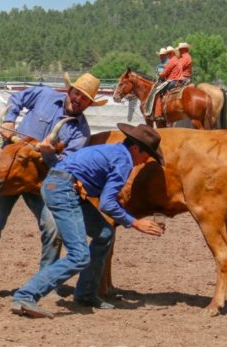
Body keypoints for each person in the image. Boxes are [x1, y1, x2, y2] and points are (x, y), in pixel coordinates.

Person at [0, 73, 107, 302]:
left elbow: (66, 168)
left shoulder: (80, 133)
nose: (79, 99)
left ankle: (45, 284)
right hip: (11, 172)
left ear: (90, 104)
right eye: (77, 93)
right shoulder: (44, 95)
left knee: (53, 229)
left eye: (85, 98)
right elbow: (17, 98)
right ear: (69, 90)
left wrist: (49, 155)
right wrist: (9, 120)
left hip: (42, 181)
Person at [10, 123, 165, 318]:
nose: (145, 161)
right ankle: (25, 295)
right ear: (135, 148)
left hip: (60, 186)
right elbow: (107, 204)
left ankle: (86, 294)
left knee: (105, 234)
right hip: (63, 190)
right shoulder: (123, 160)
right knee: (79, 255)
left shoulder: (112, 151)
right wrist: (135, 223)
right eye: (147, 155)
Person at [145, 45, 176, 118]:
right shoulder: (162, 64)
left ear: (166, 55)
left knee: (156, 92)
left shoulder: (168, 62)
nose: (161, 56)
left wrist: (160, 74)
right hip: (163, 79)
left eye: (163, 55)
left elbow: (164, 73)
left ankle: (158, 112)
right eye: (161, 55)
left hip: (166, 79)